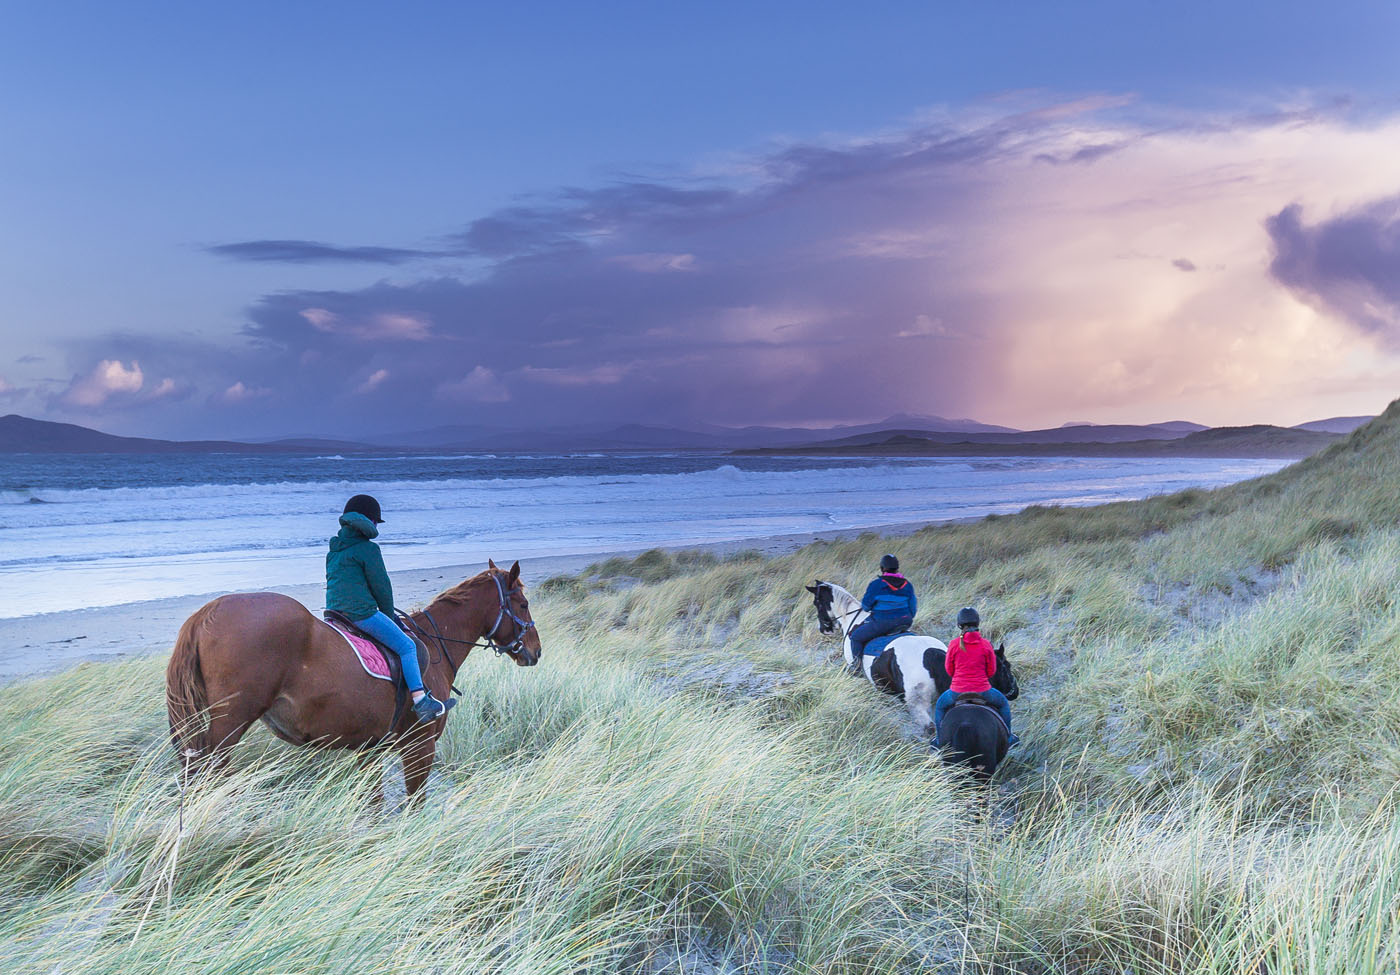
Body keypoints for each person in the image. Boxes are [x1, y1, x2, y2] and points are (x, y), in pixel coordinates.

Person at [326, 494, 455, 722]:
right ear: (369, 523)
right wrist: (389, 616)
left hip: (334, 614)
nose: (376, 526)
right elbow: (382, 589)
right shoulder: (368, 550)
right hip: (360, 614)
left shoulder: (334, 550)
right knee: (407, 646)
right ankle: (421, 701)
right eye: (376, 522)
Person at [932, 607, 1015, 747]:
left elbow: (949, 670)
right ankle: (1009, 738)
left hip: (957, 692)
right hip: (983, 691)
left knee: (939, 707)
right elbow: (991, 671)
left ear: (960, 625)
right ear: (977, 623)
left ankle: (940, 741)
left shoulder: (953, 644)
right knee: (1003, 704)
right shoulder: (986, 644)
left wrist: (959, 677)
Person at [847, 554, 917, 674]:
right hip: (905, 621)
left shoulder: (876, 585)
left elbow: (866, 606)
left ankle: (857, 668)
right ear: (897, 568)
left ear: (882, 568)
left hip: (883, 623)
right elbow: (913, 608)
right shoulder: (907, 585)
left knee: (856, 637)